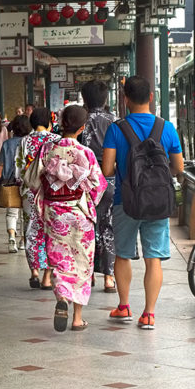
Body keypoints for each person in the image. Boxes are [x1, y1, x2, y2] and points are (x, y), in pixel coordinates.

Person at [101, 75, 184, 330]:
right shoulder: (166, 128)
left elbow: (106, 170)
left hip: (125, 200)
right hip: (157, 201)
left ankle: (124, 306)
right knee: (153, 258)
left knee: (123, 254)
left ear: (125, 100)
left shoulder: (116, 129)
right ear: (150, 97)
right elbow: (178, 168)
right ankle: (148, 314)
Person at [32, 105, 107, 332]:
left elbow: (34, 179)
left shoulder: (47, 149)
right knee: (81, 263)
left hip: (56, 213)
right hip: (79, 213)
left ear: (61, 123)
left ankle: (62, 297)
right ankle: (77, 318)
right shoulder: (86, 153)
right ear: (82, 128)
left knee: (59, 260)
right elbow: (99, 186)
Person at [15, 107, 60, 289]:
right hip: (51, 193)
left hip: (30, 192)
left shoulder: (25, 141)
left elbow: (18, 168)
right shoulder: (56, 140)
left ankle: (34, 270)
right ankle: (47, 277)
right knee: (51, 232)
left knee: (31, 230)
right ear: (49, 122)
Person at [80, 80, 117, 293]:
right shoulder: (115, 121)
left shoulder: (80, 120)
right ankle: (110, 278)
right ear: (105, 98)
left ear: (85, 98)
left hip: (86, 183)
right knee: (109, 228)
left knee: (89, 228)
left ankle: (90, 274)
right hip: (111, 180)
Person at [0, 115, 31, 253]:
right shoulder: (29, 143)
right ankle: (23, 241)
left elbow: (1, 162)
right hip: (26, 181)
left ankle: (11, 237)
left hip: (10, 181)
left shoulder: (7, 144)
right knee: (25, 213)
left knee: (11, 212)